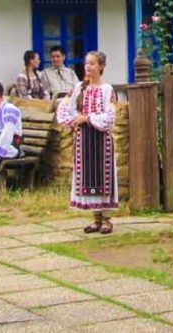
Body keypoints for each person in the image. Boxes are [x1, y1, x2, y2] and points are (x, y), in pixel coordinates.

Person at [56, 51, 117, 234]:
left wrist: (87, 118)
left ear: (101, 66)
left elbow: (110, 117)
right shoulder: (79, 88)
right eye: (86, 63)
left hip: (102, 139)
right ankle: (95, 219)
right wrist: (73, 121)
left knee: (103, 176)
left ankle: (106, 219)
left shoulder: (107, 90)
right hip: (84, 139)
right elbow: (65, 107)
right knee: (88, 176)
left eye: (92, 63)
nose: (88, 67)